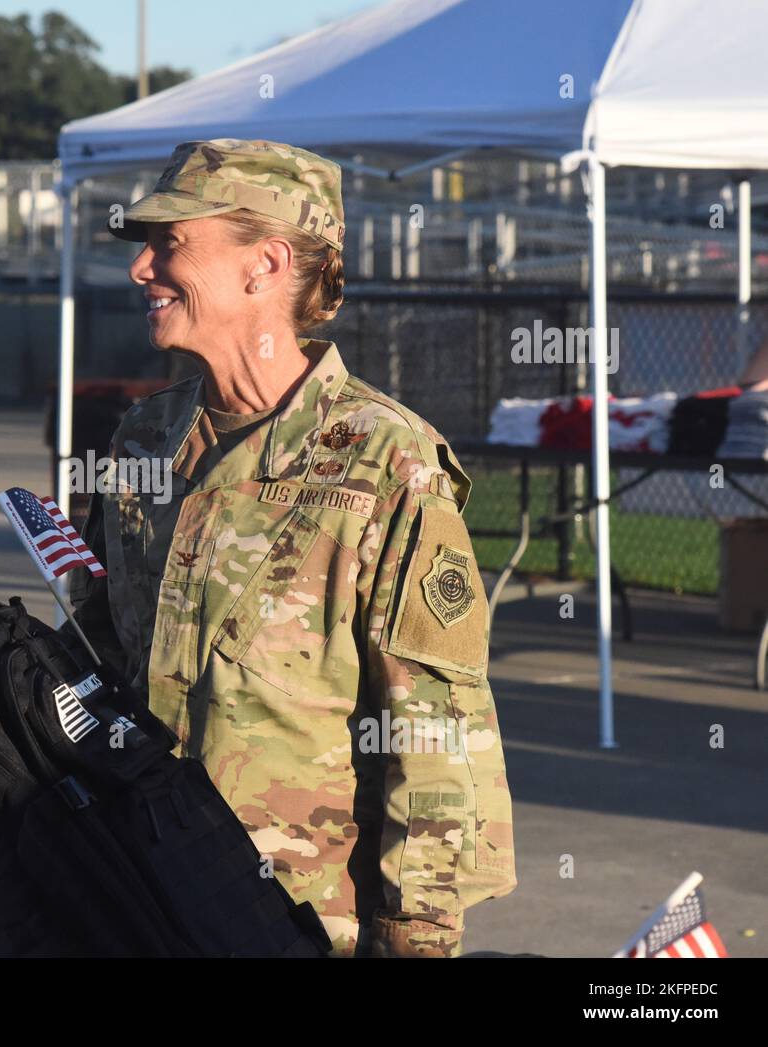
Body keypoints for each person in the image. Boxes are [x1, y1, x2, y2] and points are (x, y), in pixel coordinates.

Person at [67, 139, 517, 957]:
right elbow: (103, 656)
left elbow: (438, 736)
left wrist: (412, 937)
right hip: (132, 896)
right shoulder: (141, 440)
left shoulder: (387, 464)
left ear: (264, 264)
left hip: (294, 924)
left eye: (170, 242)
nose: (140, 267)